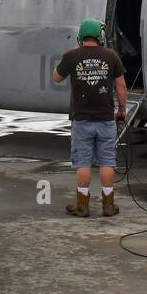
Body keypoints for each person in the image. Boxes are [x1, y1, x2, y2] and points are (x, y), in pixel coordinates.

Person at [53, 18, 127, 218]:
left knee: (83, 163)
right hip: (105, 119)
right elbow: (121, 85)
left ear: (81, 37)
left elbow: (56, 77)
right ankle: (109, 206)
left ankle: (83, 206)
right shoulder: (111, 56)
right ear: (100, 37)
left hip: (82, 119)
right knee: (107, 162)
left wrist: (74, 62)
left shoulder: (72, 56)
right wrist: (122, 109)